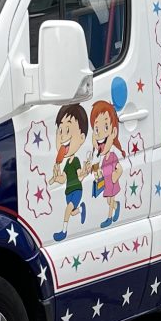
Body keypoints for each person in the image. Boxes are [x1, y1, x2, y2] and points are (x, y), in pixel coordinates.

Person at [53, 103, 90, 240]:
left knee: (68, 210)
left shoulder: (75, 161)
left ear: (81, 138)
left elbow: (79, 175)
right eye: (60, 131)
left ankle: (63, 232)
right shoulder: (66, 164)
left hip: (76, 190)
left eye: (67, 130)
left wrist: (85, 171)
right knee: (72, 211)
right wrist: (56, 176)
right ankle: (81, 210)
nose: (62, 136)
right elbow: (63, 178)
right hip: (67, 191)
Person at [90, 100, 125, 229]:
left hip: (112, 183)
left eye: (105, 127)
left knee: (110, 201)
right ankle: (117, 206)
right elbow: (101, 169)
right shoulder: (103, 158)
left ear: (114, 132)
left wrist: (115, 177)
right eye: (96, 128)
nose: (99, 133)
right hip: (107, 183)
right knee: (109, 200)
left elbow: (119, 169)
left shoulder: (113, 156)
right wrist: (97, 173)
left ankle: (109, 218)